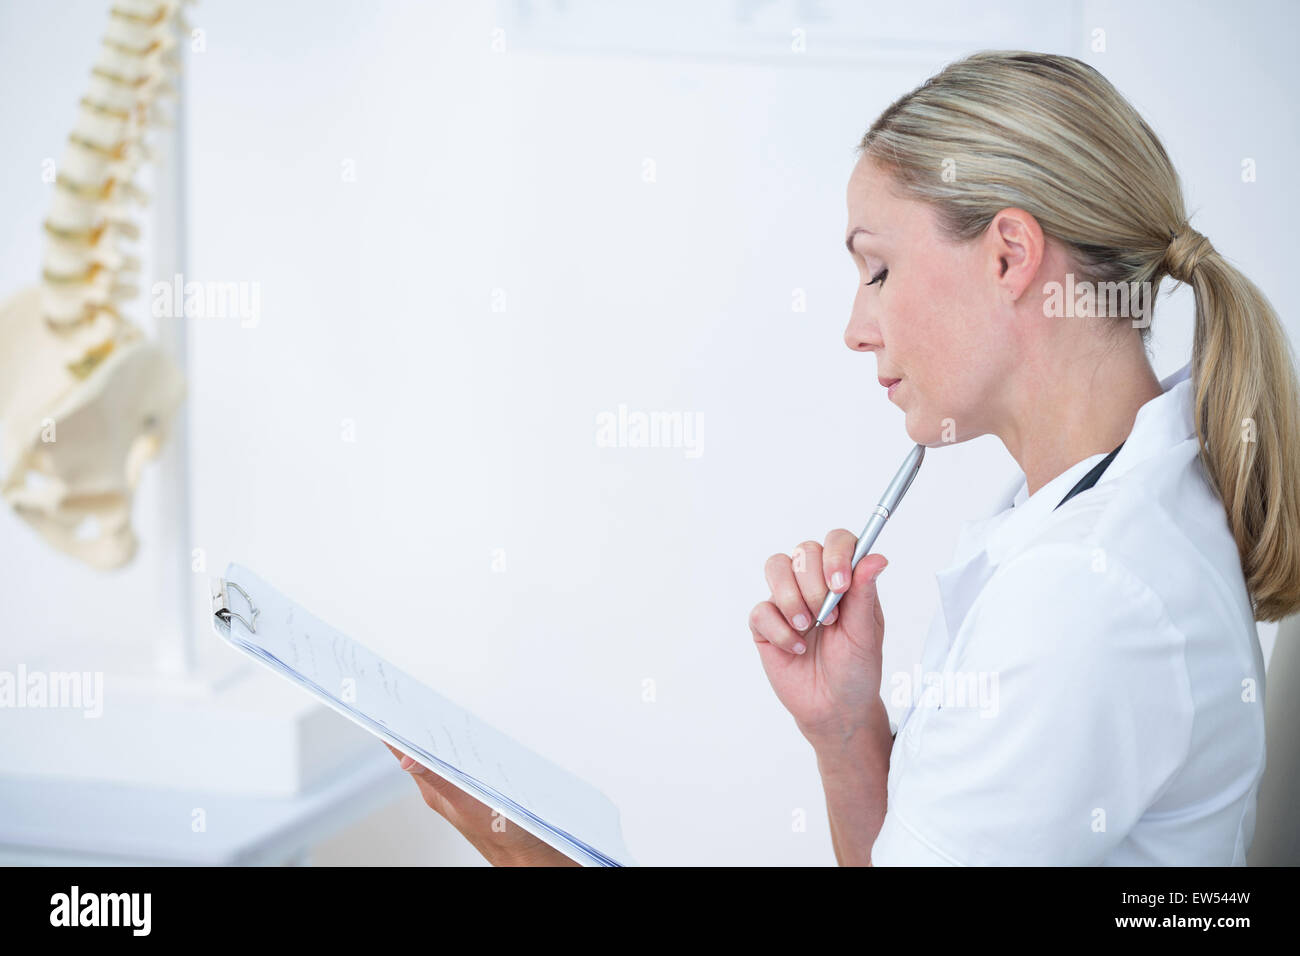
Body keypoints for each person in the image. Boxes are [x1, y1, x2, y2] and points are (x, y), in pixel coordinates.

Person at [391, 50, 1300, 866]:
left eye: (878, 271)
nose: (856, 329)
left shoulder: (1089, 589)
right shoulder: (1091, 513)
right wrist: (845, 728)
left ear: (1010, 254)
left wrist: (527, 857)